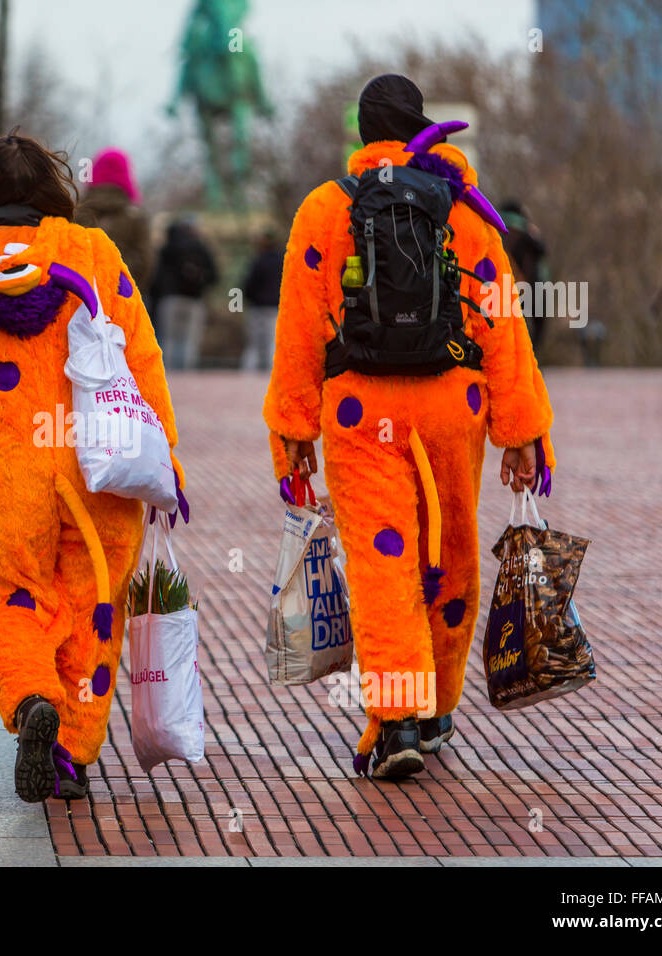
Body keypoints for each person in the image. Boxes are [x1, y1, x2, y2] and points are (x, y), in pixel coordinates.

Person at [263, 74, 555, 780]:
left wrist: (292, 429)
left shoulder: (326, 210)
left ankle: (396, 718)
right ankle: (437, 709)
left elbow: (301, 330)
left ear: (363, 135)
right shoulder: (465, 211)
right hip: (453, 403)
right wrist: (523, 430)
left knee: (382, 565)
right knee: (449, 551)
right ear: (421, 125)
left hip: (362, 409)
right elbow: (501, 322)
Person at [0, 132, 188, 803]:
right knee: (94, 610)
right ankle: (74, 752)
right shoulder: (95, 254)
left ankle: (29, 702)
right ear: (53, 193)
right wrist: (166, 462)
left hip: (5, 479)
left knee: (11, 601)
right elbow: (143, 360)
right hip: (99, 472)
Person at [74, 147, 153, 300]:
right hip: (122, 300)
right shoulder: (135, 216)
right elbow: (145, 263)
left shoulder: (77, 212)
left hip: (80, 299)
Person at [151, 218, 217, 368]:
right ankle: (187, 377)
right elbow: (214, 276)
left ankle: (168, 379)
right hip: (194, 300)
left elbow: (155, 276)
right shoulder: (201, 248)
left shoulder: (167, 248)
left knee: (168, 340)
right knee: (189, 342)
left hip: (169, 298)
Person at [499, 200, 549, 355]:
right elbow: (542, 251)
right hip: (528, 285)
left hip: (502, 285)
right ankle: (528, 355)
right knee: (536, 321)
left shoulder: (495, 228)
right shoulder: (526, 233)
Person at [239, 226, 285, 371]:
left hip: (257, 307)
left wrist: (244, 302)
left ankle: (248, 375)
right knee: (272, 343)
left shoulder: (257, 261)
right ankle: (270, 377)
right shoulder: (283, 261)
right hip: (275, 307)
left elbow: (247, 284)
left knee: (254, 345)